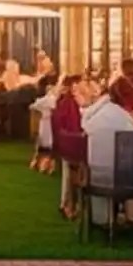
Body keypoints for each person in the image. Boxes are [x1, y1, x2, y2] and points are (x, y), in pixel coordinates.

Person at [82, 78, 133, 227]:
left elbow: (84, 123)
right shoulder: (125, 119)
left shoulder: (97, 116)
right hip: (118, 179)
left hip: (94, 175)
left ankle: (103, 219)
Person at [51, 76, 86, 220]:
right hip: (71, 144)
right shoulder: (68, 104)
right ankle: (67, 205)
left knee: (71, 175)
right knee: (70, 175)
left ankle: (70, 205)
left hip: (70, 143)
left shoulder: (70, 102)